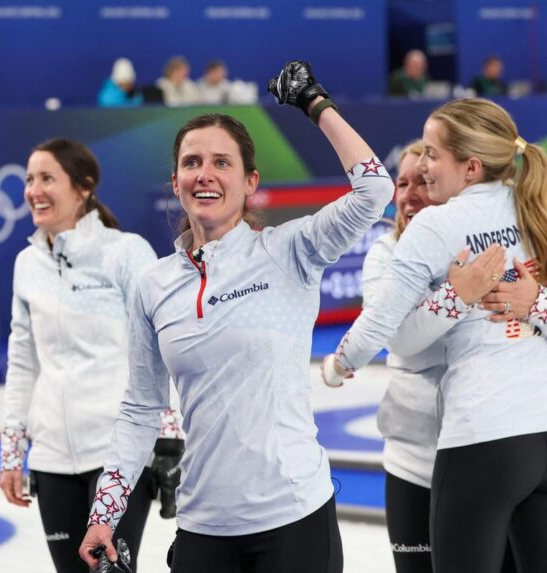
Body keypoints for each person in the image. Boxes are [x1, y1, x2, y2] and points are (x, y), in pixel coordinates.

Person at [79, 60, 395, 573]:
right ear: (176, 181)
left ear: (250, 181)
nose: (204, 173)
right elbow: (140, 409)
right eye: (192, 162)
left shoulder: (290, 250)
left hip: (294, 517)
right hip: (204, 523)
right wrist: (104, 513)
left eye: (222, 163)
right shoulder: (154, 285)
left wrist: (315, 103)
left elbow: (375, 191)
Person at [327, 98, 547, 572]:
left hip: (481, 435)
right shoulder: (534, 206)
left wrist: (336, 365)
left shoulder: (440, 223)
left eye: (430, 153)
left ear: (469, 167)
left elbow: (389, 335)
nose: (420, 167)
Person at [0, 138, 183, 572]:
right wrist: (12, 450)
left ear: (82, 188)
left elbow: (161, 344)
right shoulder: (26, 264)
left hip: (117, 453)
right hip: (51, 460)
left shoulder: (125, 252)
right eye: (29, 179)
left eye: (47, 178)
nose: (33, 190)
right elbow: (23, 357)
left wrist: (169, 436)